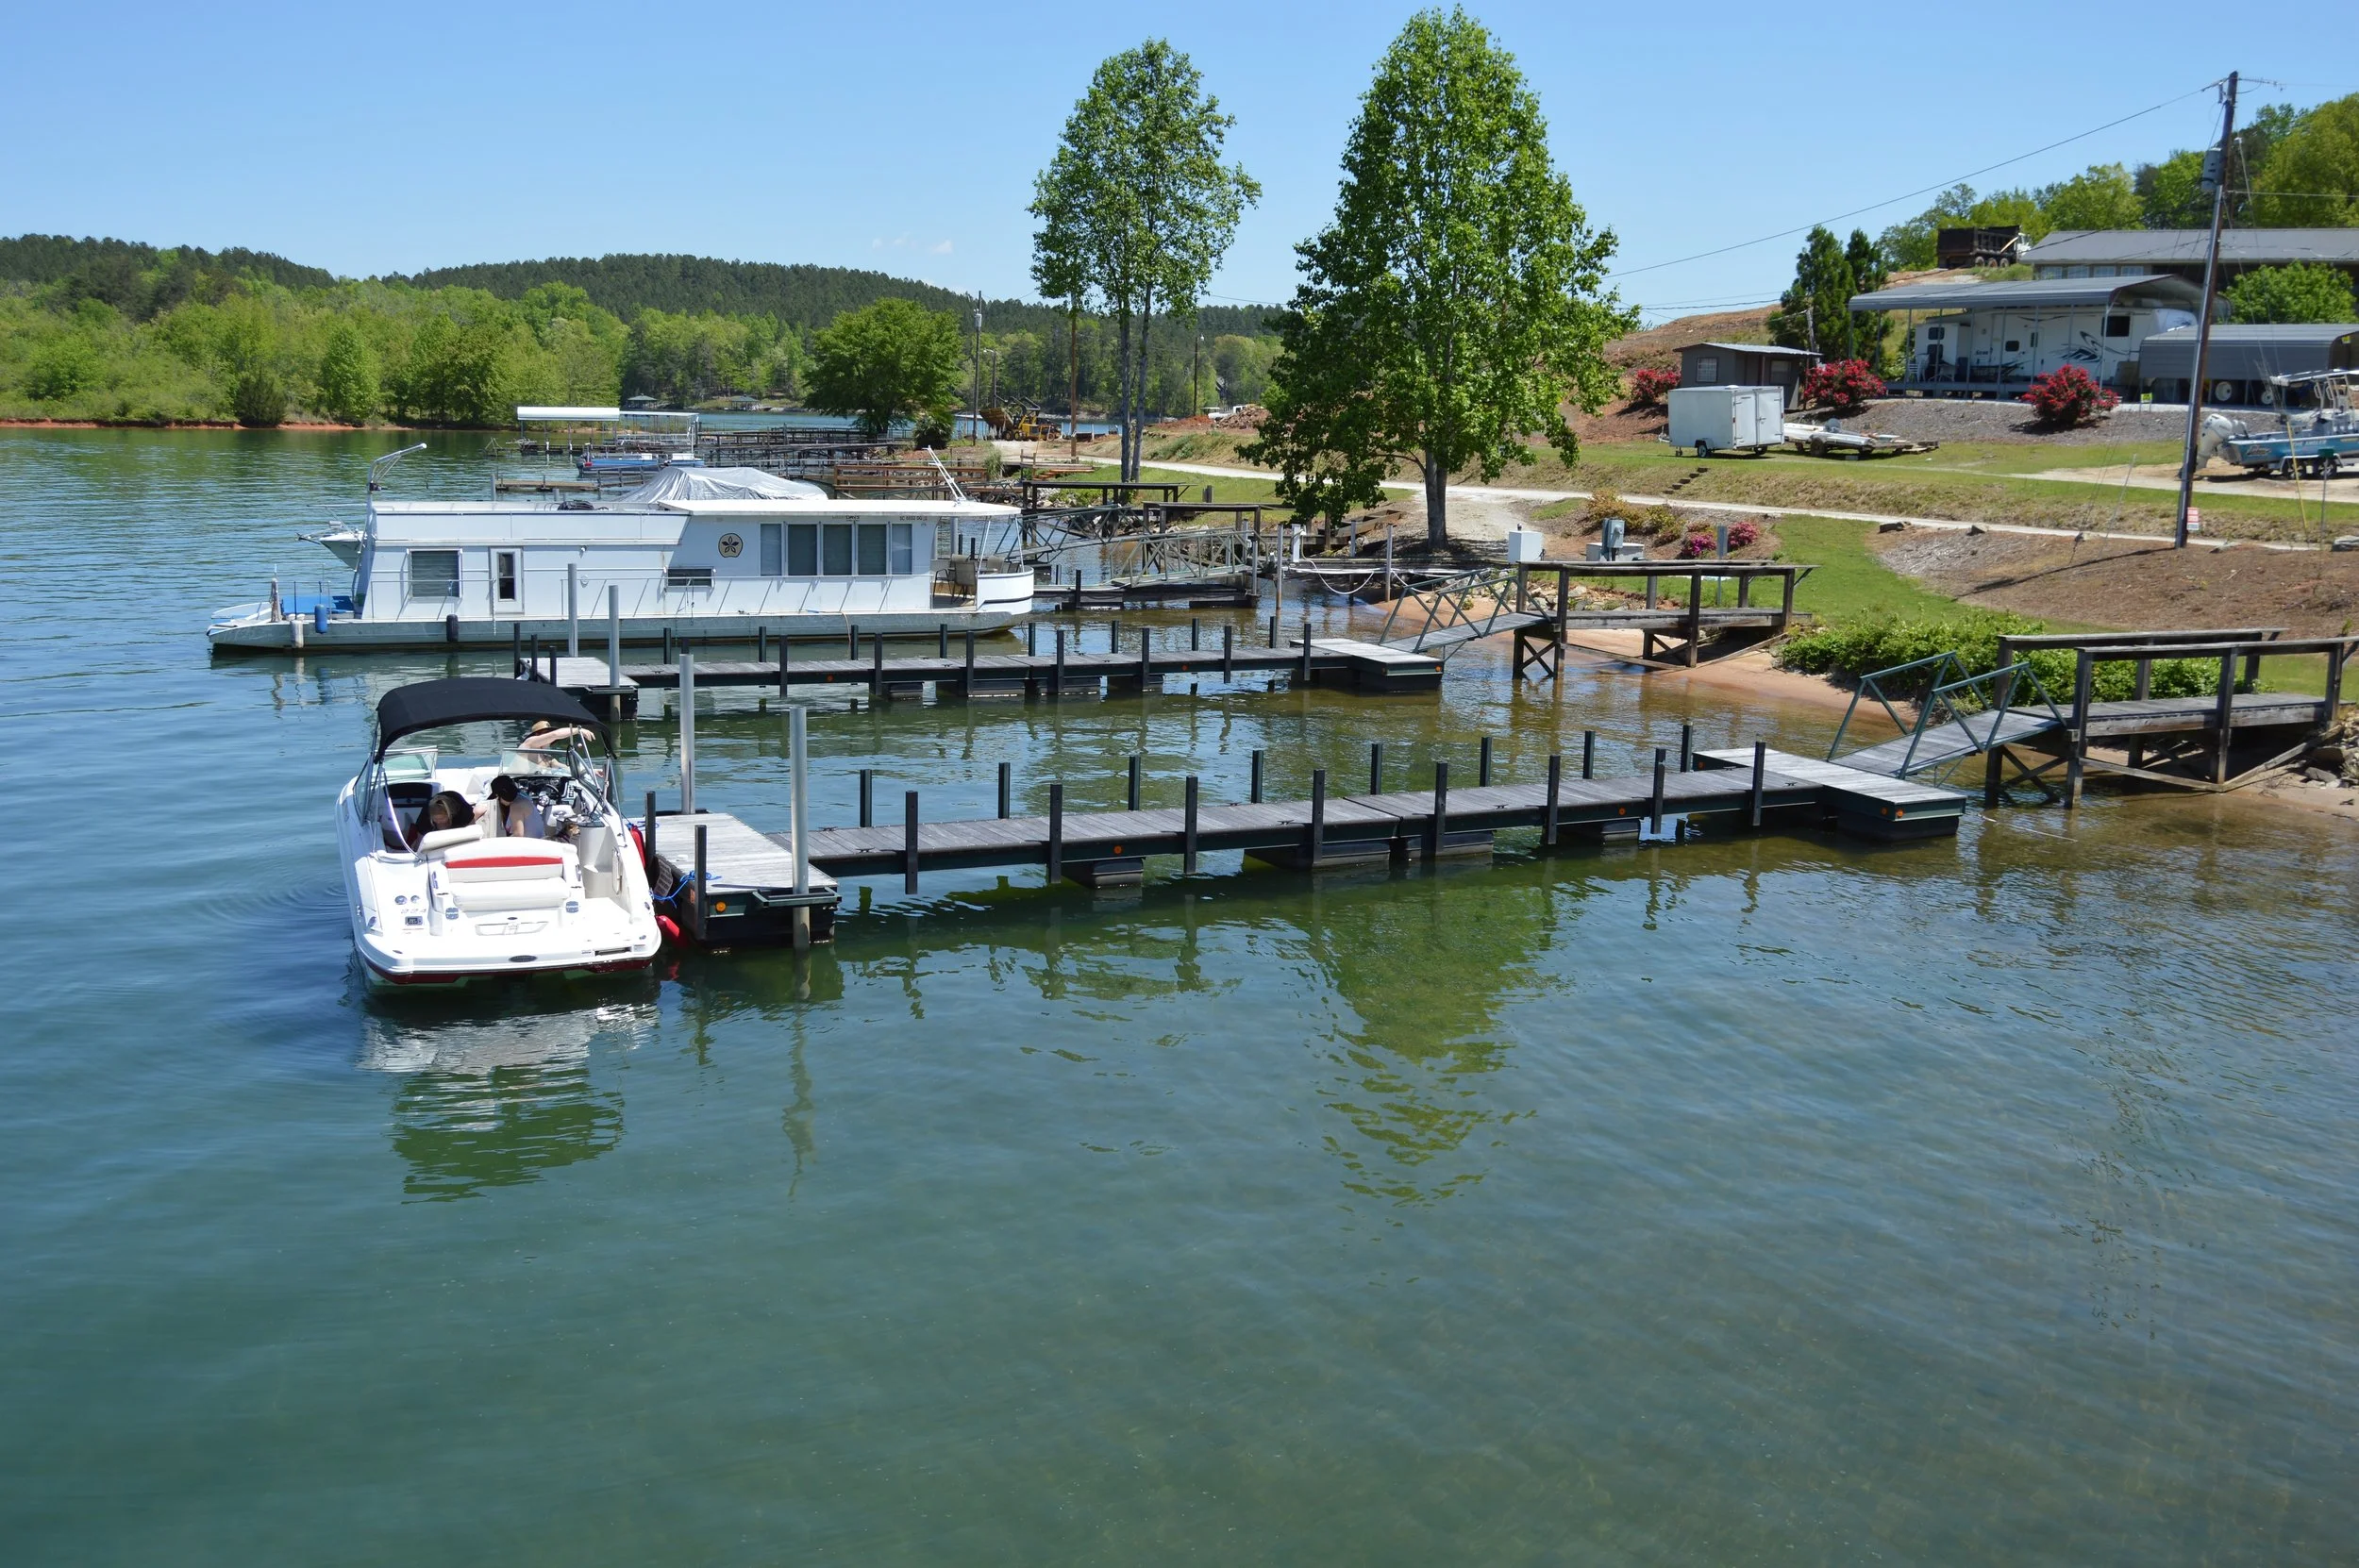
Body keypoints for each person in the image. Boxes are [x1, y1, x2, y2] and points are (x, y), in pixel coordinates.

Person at [485, 774, 546, 840]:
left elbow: (518, 835)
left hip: (530, 845)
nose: (499, 801)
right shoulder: (523, 796)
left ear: (504, 795)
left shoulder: (516, 806)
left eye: (498, 798)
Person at [410, 791, 477, 848]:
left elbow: (473, 834)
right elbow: (419, 843)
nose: (439, 822)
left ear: (450, 815)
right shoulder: (425, 819)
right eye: (435, 819)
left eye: (442, 818)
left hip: (459, 804)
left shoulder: (463, 814)